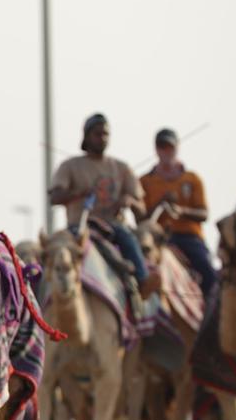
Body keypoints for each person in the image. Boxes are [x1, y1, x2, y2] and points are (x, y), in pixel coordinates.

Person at [49, 113, 150, 288]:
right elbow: (54, 197)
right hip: (80, 227)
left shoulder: (121, 168)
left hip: (114, 227)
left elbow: (142, 212)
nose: (102, 138)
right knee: (54, 251)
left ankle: (143, 283)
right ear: (87, 136)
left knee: (129, 240)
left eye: (106, 134)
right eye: (97, 134)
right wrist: (80, 193)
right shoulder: (70, 166)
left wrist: (130, 201)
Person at [140, 128, 216, 296]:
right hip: (156, 239)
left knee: (208, 272)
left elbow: (204, 214)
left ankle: (214, 312)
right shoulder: (145, 181)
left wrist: (181, 211)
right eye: (162, 147)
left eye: (170, 147)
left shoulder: (192, 179)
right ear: (156, 149)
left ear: (176, 148)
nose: (166, 151)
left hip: (189, 237)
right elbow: (141, 218)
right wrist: (160, 203)